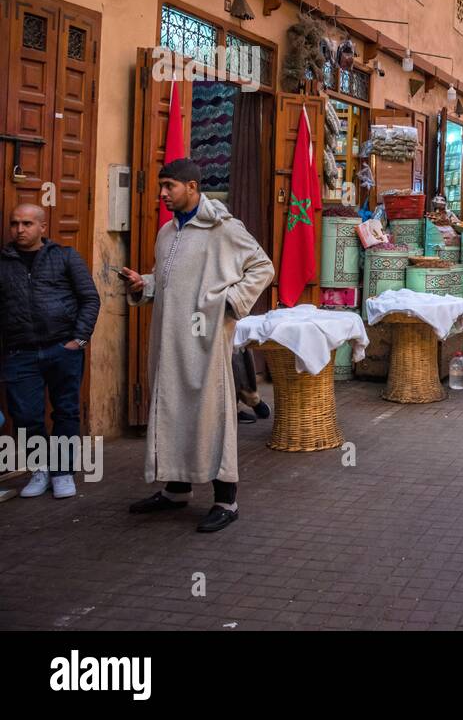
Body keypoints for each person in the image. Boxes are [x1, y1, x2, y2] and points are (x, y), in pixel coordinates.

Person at [120, 158, 274, 533]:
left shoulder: (225, 229)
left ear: (192, 187)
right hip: (169, 340)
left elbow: (263, 267)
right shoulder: (166, 233)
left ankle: (227, 500)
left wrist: (228, 302)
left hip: (205, 340)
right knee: (173, 409)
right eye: (162, 186)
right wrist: (146, 284)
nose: (163, 194)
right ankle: (176, 490)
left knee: (211, 413)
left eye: (169, 186)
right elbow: (169, 279)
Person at [0, 204, 100, 499]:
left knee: (66, 412)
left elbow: (89, 299)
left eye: (27, 223)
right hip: (20, 353)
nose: (20, 229)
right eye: (15, 223)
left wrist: (79, 340)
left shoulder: (64, 257)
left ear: (43, 227)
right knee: (26, 416)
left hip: (62, 348)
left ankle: (63, 471)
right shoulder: (3, 262)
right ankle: (41, 469)